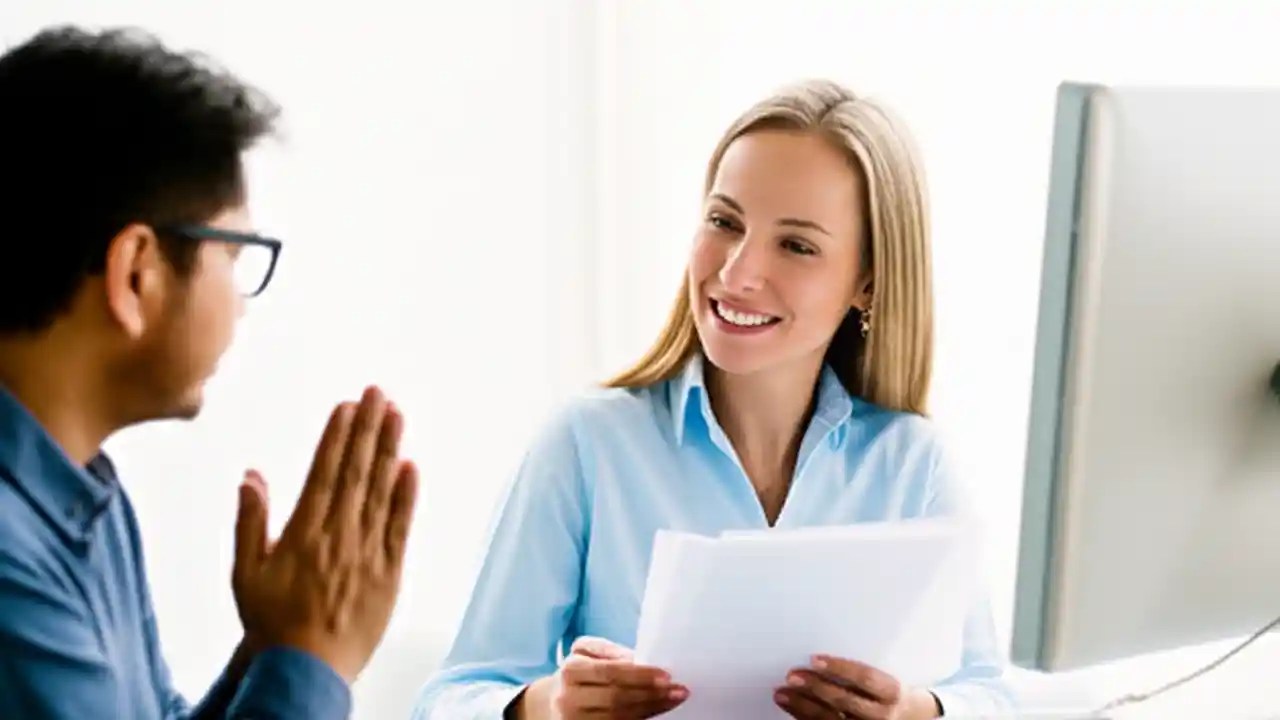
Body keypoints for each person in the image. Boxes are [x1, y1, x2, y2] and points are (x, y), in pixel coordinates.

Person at [412, 79, 1017, 720]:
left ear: (867, 283)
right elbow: (449, 699)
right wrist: (542, 706)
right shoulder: (588, 445)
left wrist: (915, 712)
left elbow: (993, 698)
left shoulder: (910, 465)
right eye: (725, 222)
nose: (735, 273)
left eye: (796, 245)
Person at [0, 26, 419, 719]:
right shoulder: (12, 568)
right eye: (236, 251)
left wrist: (271, 649)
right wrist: (312, 658)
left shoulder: (87, 499)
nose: (243, 304)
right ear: (136, 273)